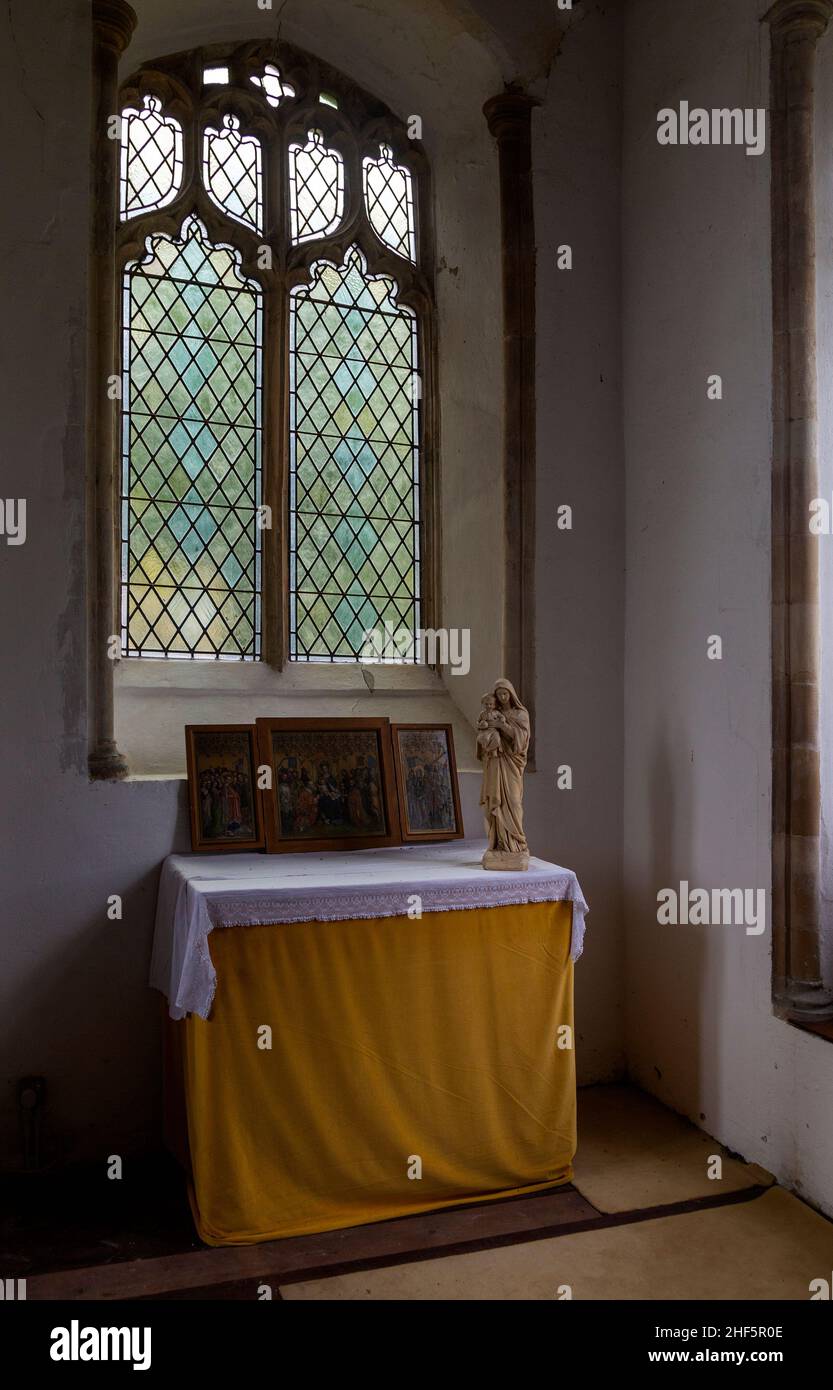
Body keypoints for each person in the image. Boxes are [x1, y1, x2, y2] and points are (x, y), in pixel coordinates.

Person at [477, 677, 530, 856]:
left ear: (511, 694)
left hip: (512, 763)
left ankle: (516, 841)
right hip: (496, 761)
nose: (503, 697)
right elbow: (482, 733)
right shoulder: (491, 712)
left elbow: (521, 741)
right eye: (499, 694)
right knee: (495, 801)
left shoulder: (521, 714)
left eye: (505, 693)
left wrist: (502, 726)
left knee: (514, 801)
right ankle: (500, 843)